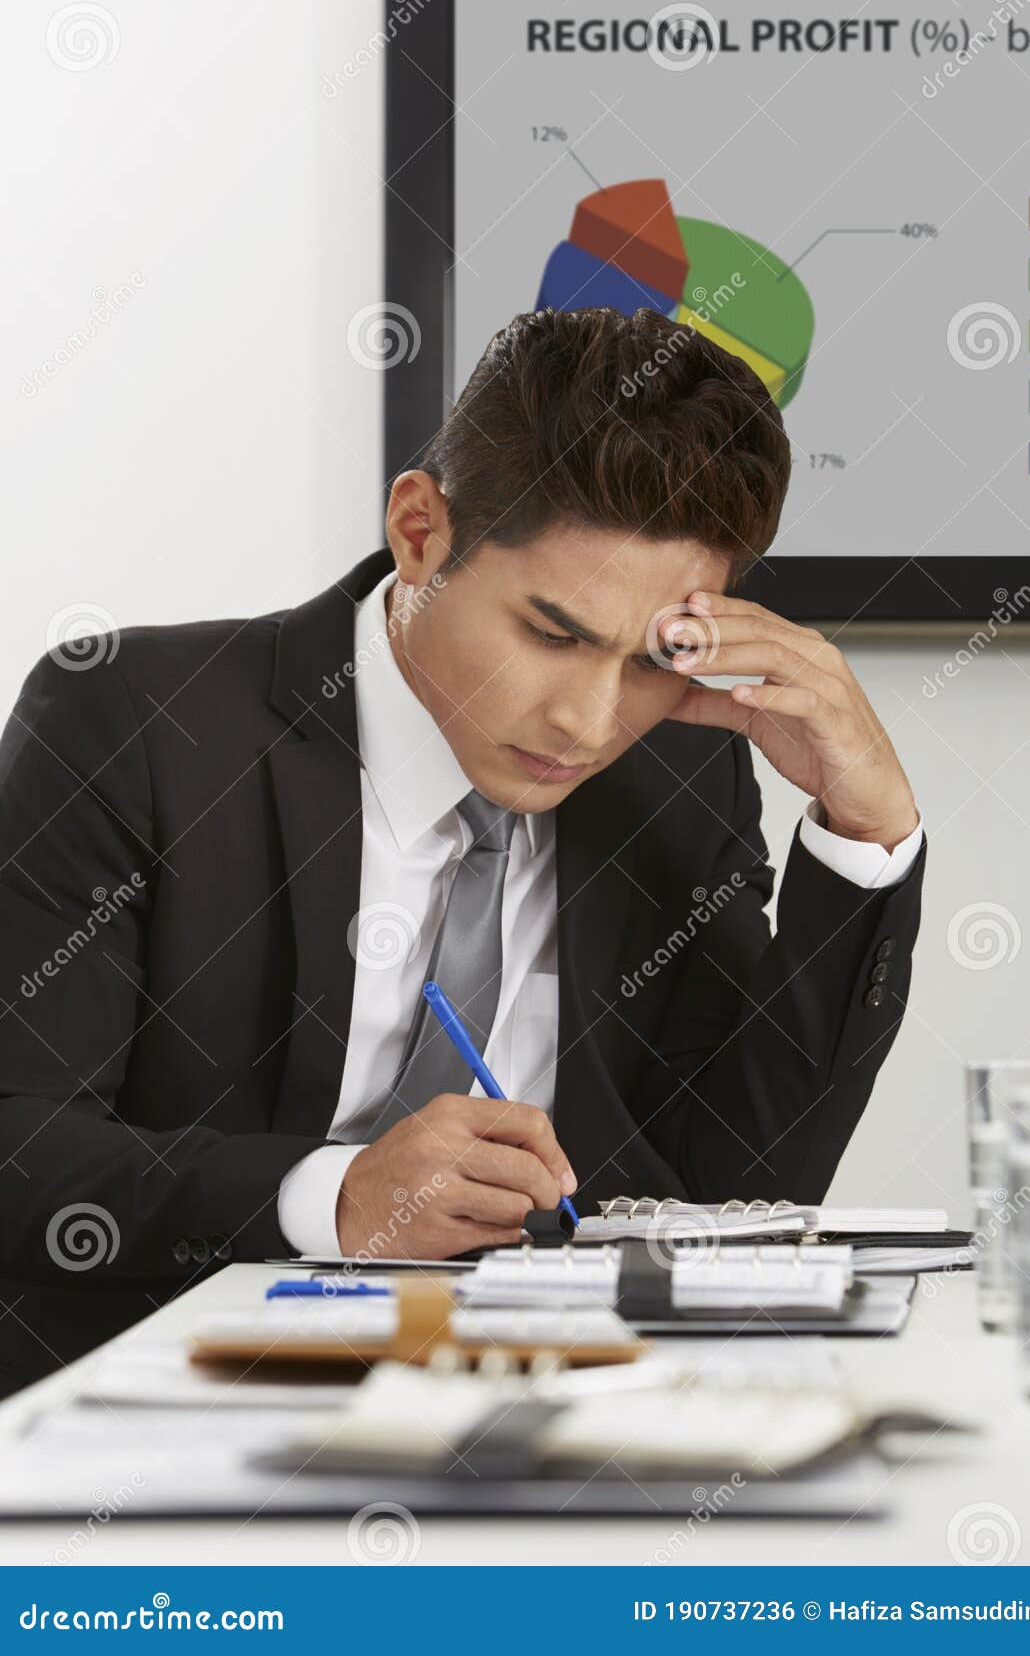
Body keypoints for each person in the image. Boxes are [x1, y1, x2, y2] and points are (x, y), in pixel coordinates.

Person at [0, 306, 924, 1392]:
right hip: (159, 1413)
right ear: (420, 531)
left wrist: (864, 836)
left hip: (545, 1418)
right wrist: (335, 1197)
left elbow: (728, 1192)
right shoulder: (139, 722)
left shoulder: (677, 774)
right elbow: (22, 1146)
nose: (586, 721)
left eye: (649, 660)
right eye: (550, 633)